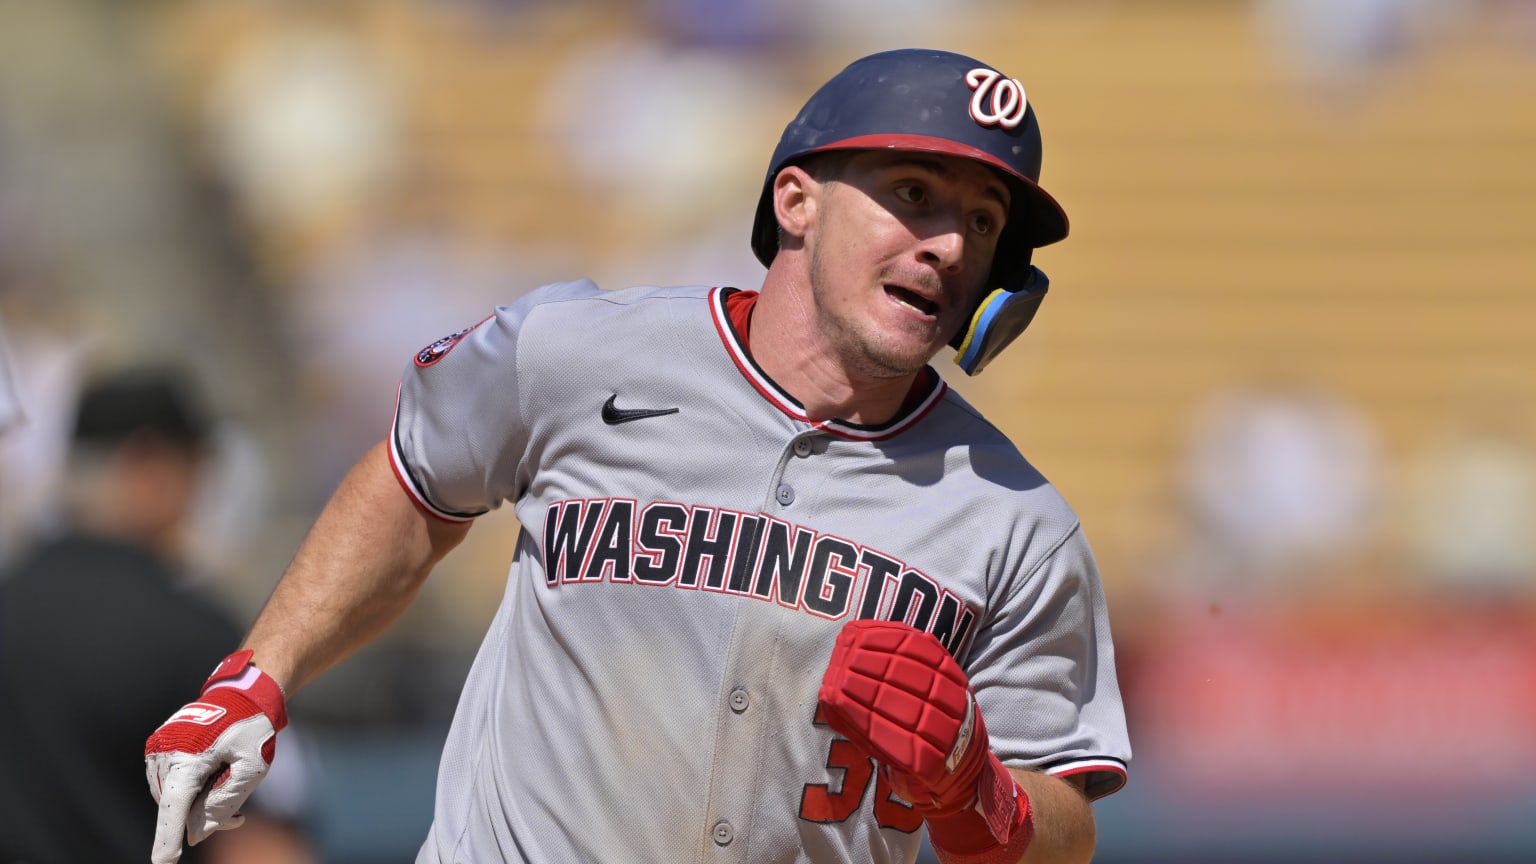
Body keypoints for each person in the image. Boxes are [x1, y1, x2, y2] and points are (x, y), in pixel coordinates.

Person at [145, 48, 1131, 864]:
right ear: (796, 201)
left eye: (982, 223)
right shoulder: (573, 353)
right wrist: (258, 677)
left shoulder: (1017, 523)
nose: (949, 245)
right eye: (914, 194)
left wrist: (981, 792)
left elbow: (1068, 823)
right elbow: (413, 486)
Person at [0, 367, 239, 863]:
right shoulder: (194, 635)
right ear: (149, 465)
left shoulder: (9, 600)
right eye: (196, 467)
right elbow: (256, 845)